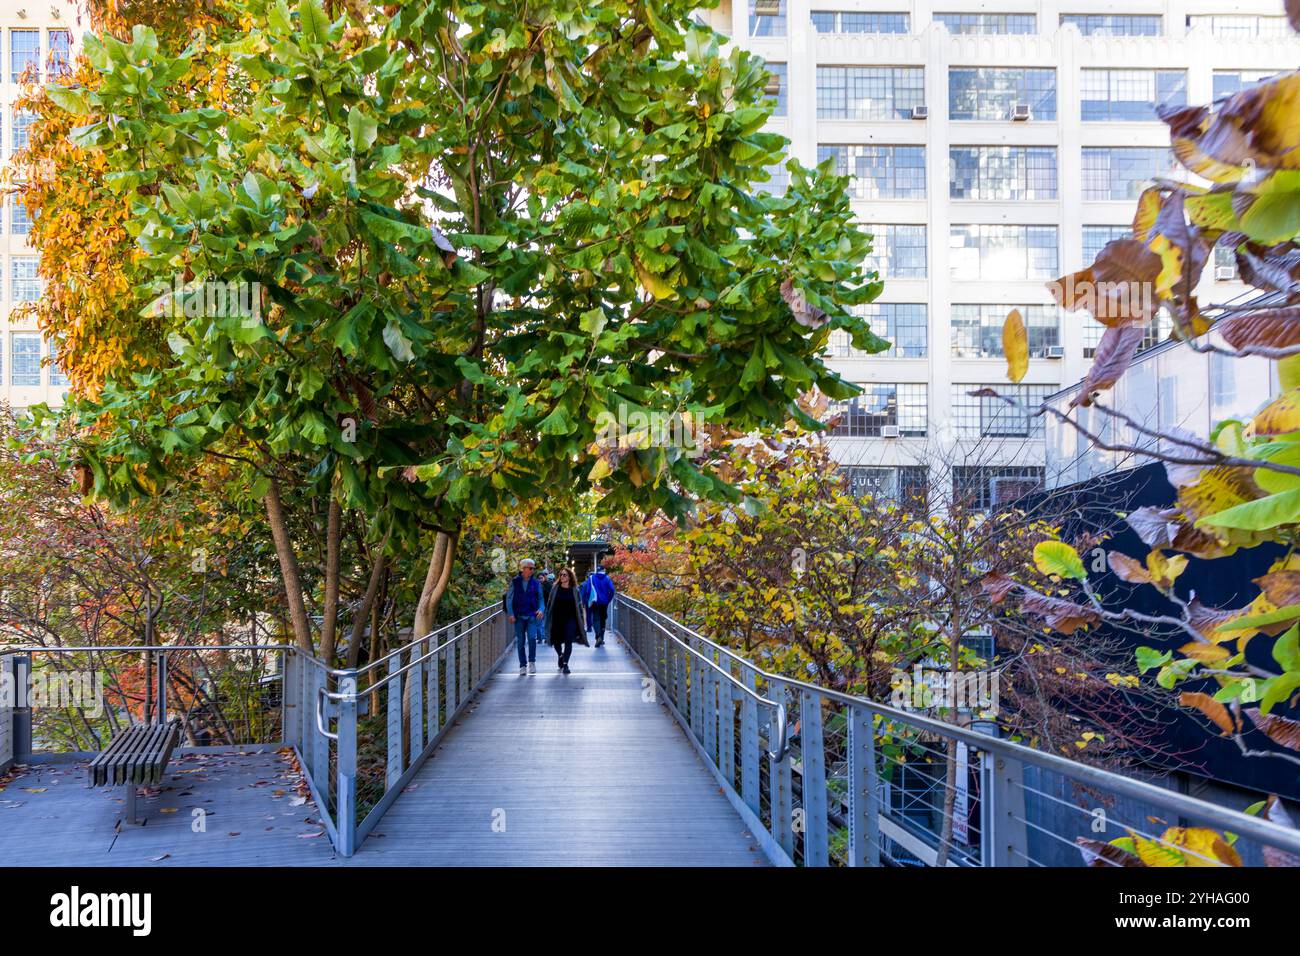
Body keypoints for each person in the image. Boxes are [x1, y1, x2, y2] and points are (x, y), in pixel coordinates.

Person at [544, 566, 587, 675]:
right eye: (561, 575)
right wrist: (547, 616)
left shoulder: (575, 589)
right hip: (557, 619)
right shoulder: (555, 588)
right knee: (556, 641)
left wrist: (582, 620)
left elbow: (579, 605)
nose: (562, 576)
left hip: (570, 619)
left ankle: (565, 664)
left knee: (568, 641)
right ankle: (560, 655)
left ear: (570, 577)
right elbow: (549, 603)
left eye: (564, 575)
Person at [505, 558, 544, 675]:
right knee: (521, 641)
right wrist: (511, 613)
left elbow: (541, 599)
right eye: (530, 568)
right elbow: (509, 598)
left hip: (532, 615)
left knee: (532, 638)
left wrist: (541, 609)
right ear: (523, 568)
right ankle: (522, 665)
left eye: (533, 568)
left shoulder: (536, 583)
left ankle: (532, 662)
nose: (532, 570)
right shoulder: (515, 582)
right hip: (518, 616)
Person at [584, 562, 616, 648]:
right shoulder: (607, 578)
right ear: (604, 570)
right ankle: (601, 637)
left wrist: (589, 600)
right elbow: (612, 590)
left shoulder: (591, 578)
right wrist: (608, 599)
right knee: (603, 619)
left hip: (595, 601)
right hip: (604, 602)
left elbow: (588, 591)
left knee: (596, 619)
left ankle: (598, 636)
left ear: (597, 570)